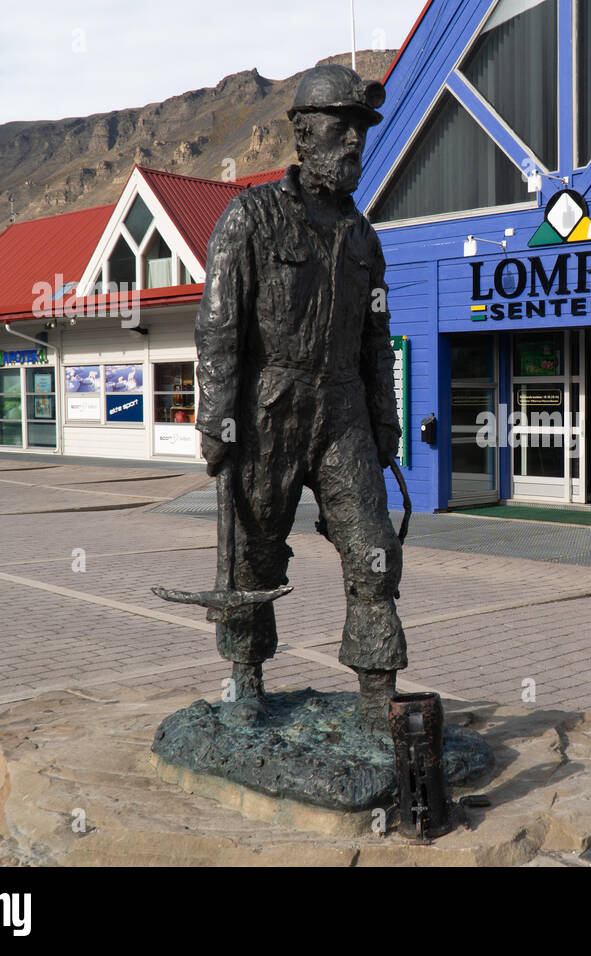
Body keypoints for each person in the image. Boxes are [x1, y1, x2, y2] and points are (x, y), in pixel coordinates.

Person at [194, 64, 404, 728]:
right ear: (305, 133)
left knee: (374, 547)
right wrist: (217, 419)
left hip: (342, 412)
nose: (352, 145)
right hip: (268, 410)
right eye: (340, 129)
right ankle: (246, 680)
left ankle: (378, 697)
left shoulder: (364, 239)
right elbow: (218, 327)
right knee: (253, 552)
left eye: (360, 133)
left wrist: (386, 424)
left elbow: (377, 342)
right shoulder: (248, 218)